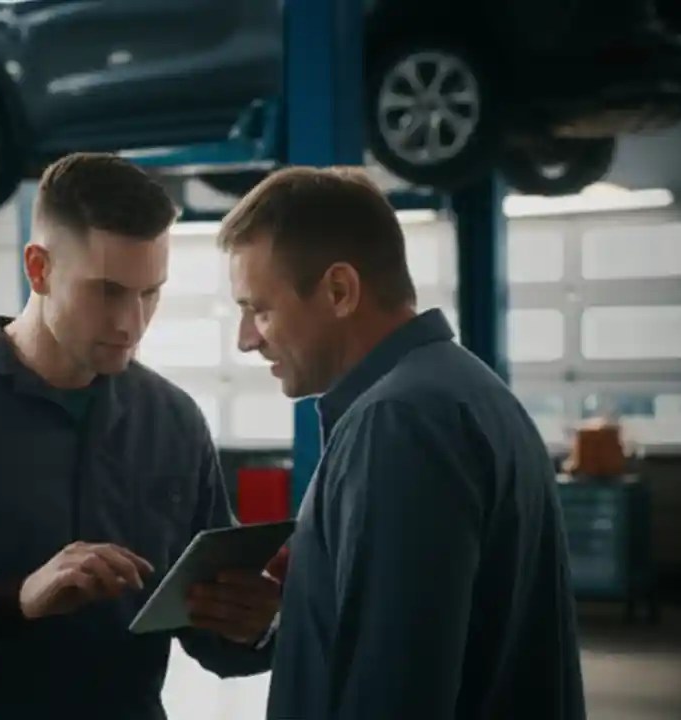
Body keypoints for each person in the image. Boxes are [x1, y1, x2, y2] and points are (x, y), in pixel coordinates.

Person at [0, 152, 280, 720]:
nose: (131, 323)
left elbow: (207, 634)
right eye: (107, 291)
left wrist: (254, 624)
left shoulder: (174, 422)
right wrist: (11, 599)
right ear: (38, 269)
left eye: (149, 293)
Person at [216, 167, 587, 719]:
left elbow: (392, 691)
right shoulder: (462, 390)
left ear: (339, 291)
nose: (246, 339)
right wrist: (298, 613)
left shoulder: (399, 423)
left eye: (259, 309)